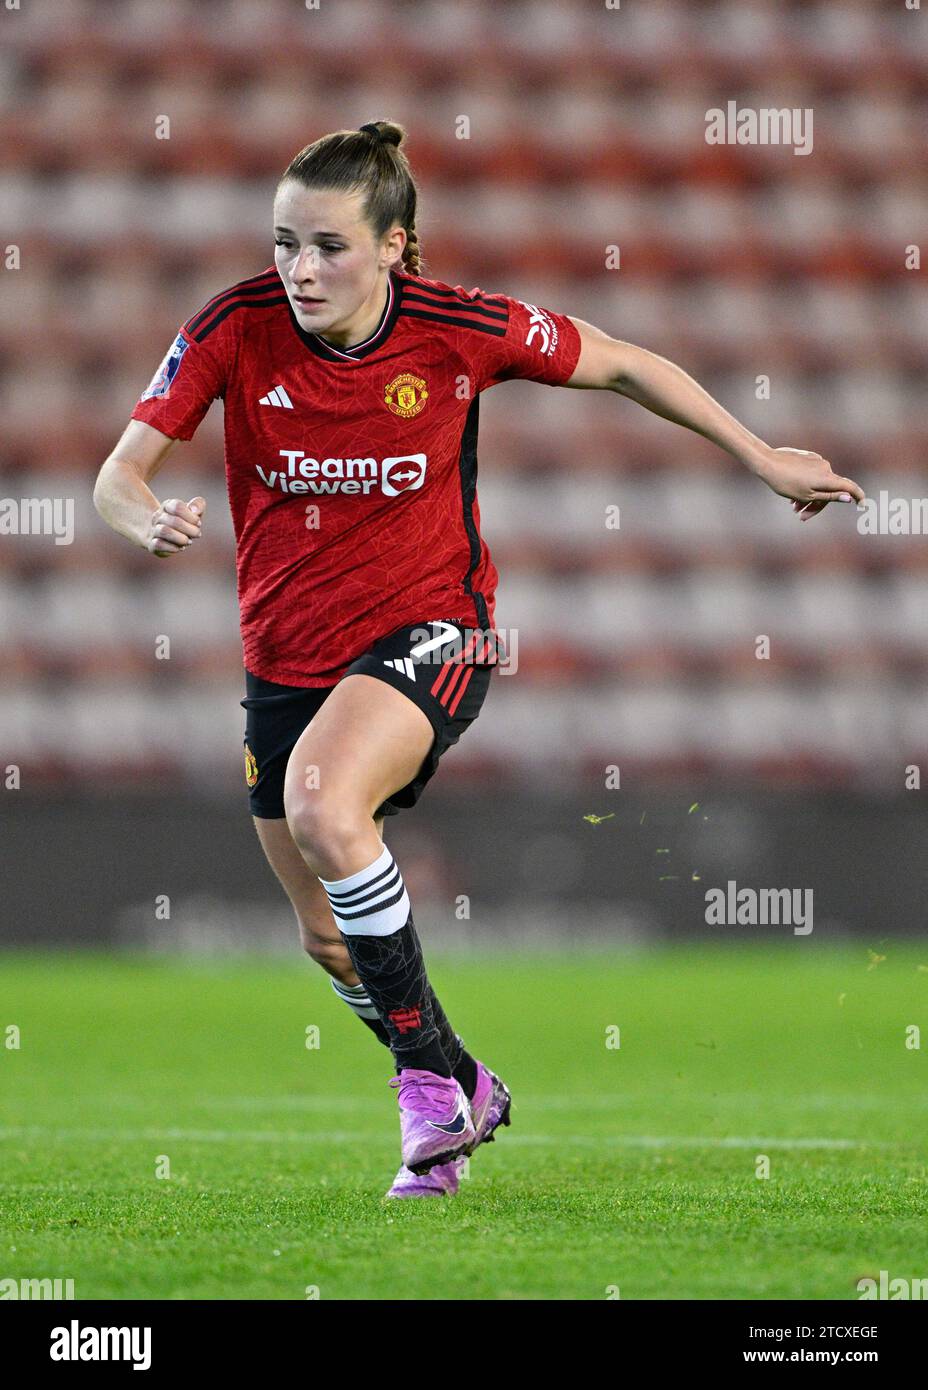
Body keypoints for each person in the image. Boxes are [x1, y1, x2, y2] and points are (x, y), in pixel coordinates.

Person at [93, 119, 865, 1200]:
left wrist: (760, 456)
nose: (299, 269)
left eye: (328, 246)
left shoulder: (462, 327)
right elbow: (117, 473)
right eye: (283, 243)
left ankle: (420, 1096)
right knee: (324, 939)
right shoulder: (232, 325)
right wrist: (137, 518)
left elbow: (627, 365)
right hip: (284, 659)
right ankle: (462, 1078)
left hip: (436, 627)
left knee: (323, 806)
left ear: (395, 247)